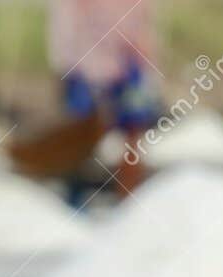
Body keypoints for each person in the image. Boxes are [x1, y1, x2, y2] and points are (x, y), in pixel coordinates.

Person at [49, 0, 160, 195]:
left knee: (135, 132)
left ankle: (129, 200)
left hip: (126, 67)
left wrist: (142, 66)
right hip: (82, 67)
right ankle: (74, 196)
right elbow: (65, 34)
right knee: (79, 130)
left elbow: (142, 31)